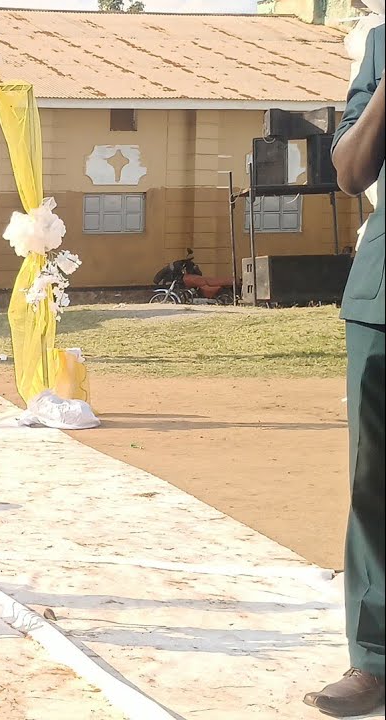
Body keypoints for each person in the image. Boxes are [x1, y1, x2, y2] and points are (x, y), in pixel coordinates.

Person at [305, 23, 385, 718]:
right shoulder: (384, 45)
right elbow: (351, 170)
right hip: (382, 300)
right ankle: (373, 661)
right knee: (374, 481)